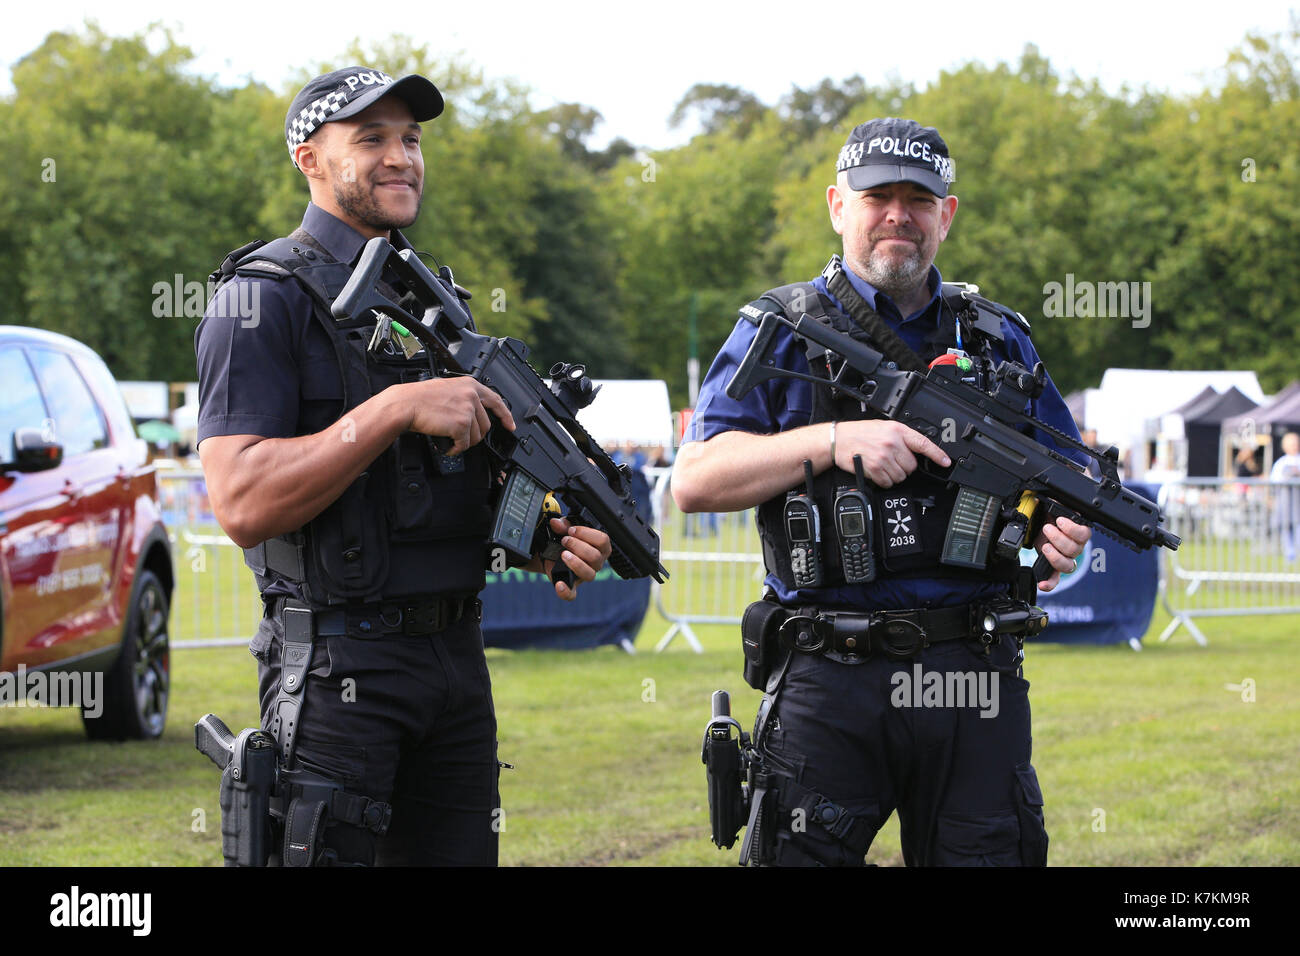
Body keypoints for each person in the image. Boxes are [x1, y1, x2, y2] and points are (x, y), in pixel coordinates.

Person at [194, 66, 611, 866]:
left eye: (412, 139)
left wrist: (540, 538)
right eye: (372, 139)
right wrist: (390, 411)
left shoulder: (432, 301)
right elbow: (240, 498)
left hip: (455, 662)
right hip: (336, 671)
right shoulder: (261, 299)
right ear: (309, 158)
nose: (401, 157)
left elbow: (451, 485)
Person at [673, 118, 1090, 866]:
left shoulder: (998, 336)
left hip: (973, 672)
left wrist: (1057, 525)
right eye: (878, 197)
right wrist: (833, 442)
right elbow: (697, 479)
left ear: (947, 215)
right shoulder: (782, 328)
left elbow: (1066, 470)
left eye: (918, 199)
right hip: (831, 676)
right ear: (839, 206)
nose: (898, 214)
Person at [1269, 432, 1300, 561]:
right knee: (1286, 525)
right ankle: (1290, 552)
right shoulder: (1281, 463)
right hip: (1285, 500)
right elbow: (1274, 480)